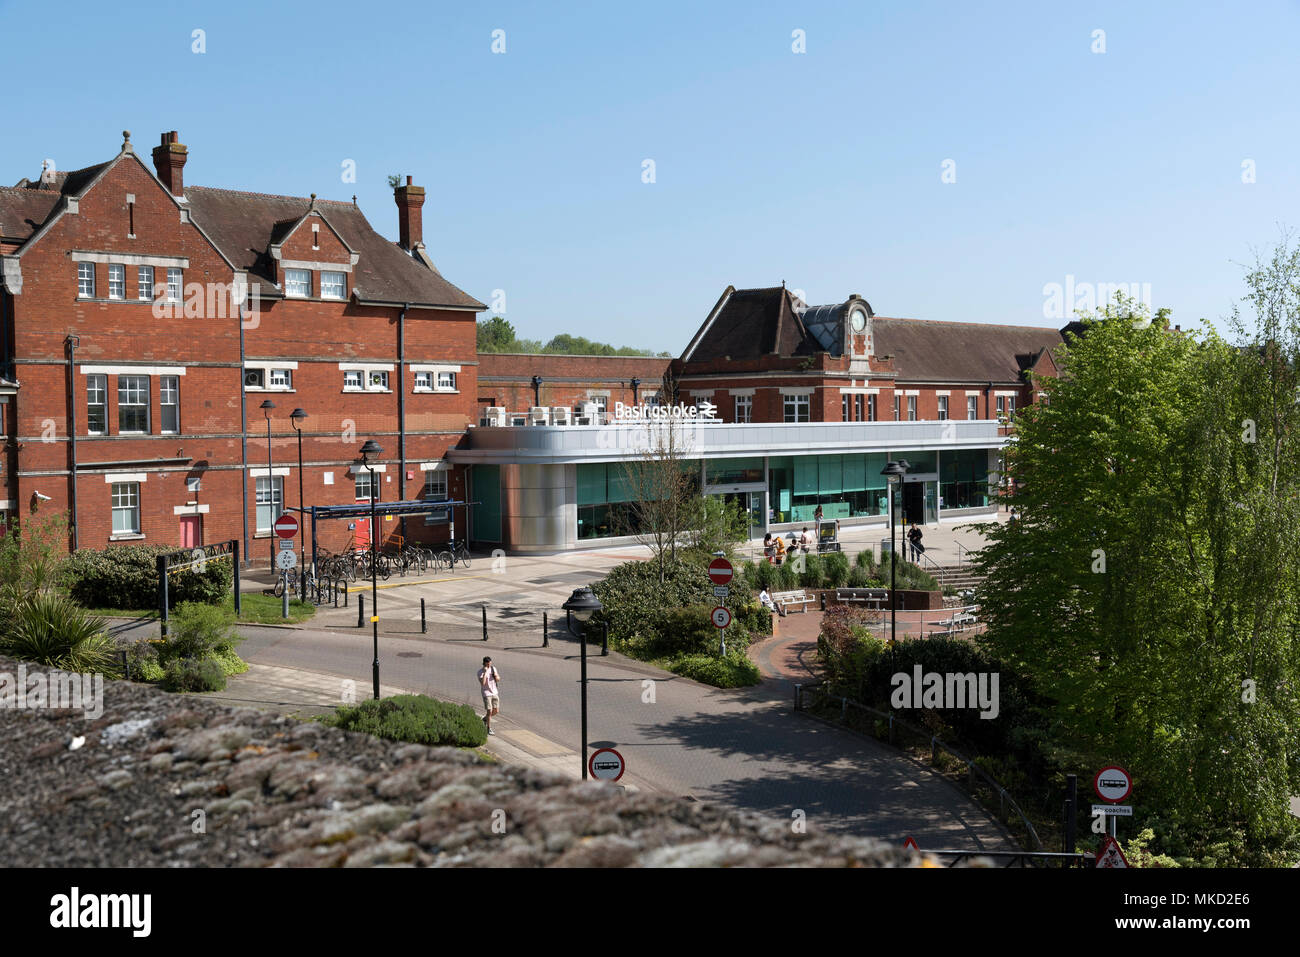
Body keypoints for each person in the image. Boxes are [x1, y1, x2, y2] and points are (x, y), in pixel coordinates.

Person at [478, 656, 500, 735]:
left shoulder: (493, 668)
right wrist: (485, 672)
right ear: (484, 663)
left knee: (496, 711)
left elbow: (498, 678)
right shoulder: (480, 672)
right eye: (488, 664)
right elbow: (483, 683)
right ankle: (488, 728)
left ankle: (485, 719)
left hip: (494, 692)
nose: (489, 665)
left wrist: (497, 677)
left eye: (490, 664)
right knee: (489, 711)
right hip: (486, 693)